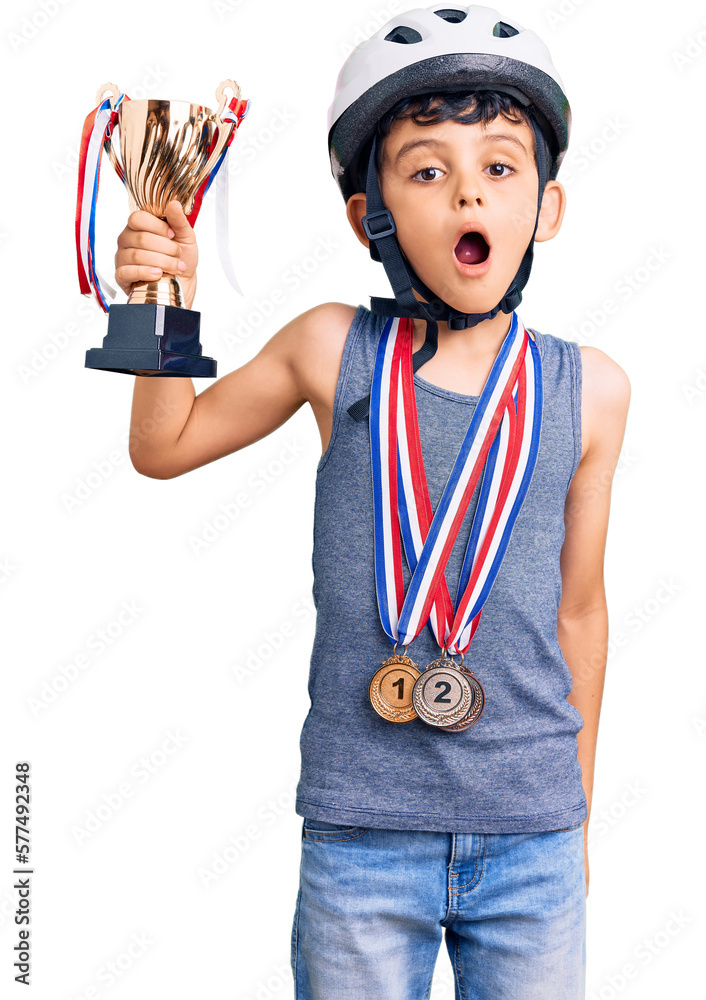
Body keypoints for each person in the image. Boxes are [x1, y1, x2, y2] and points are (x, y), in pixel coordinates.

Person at [114, 5, 630, 997]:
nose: (466, 190)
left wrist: (580, 819)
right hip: (361, 835)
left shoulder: (590, 389)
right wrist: (159, 301)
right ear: (371, 217)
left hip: (532, 837)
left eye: (500, 165)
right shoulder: (328, 347)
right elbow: (163, 448)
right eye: (426, 169)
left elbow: (580, 610)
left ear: (547, 209)